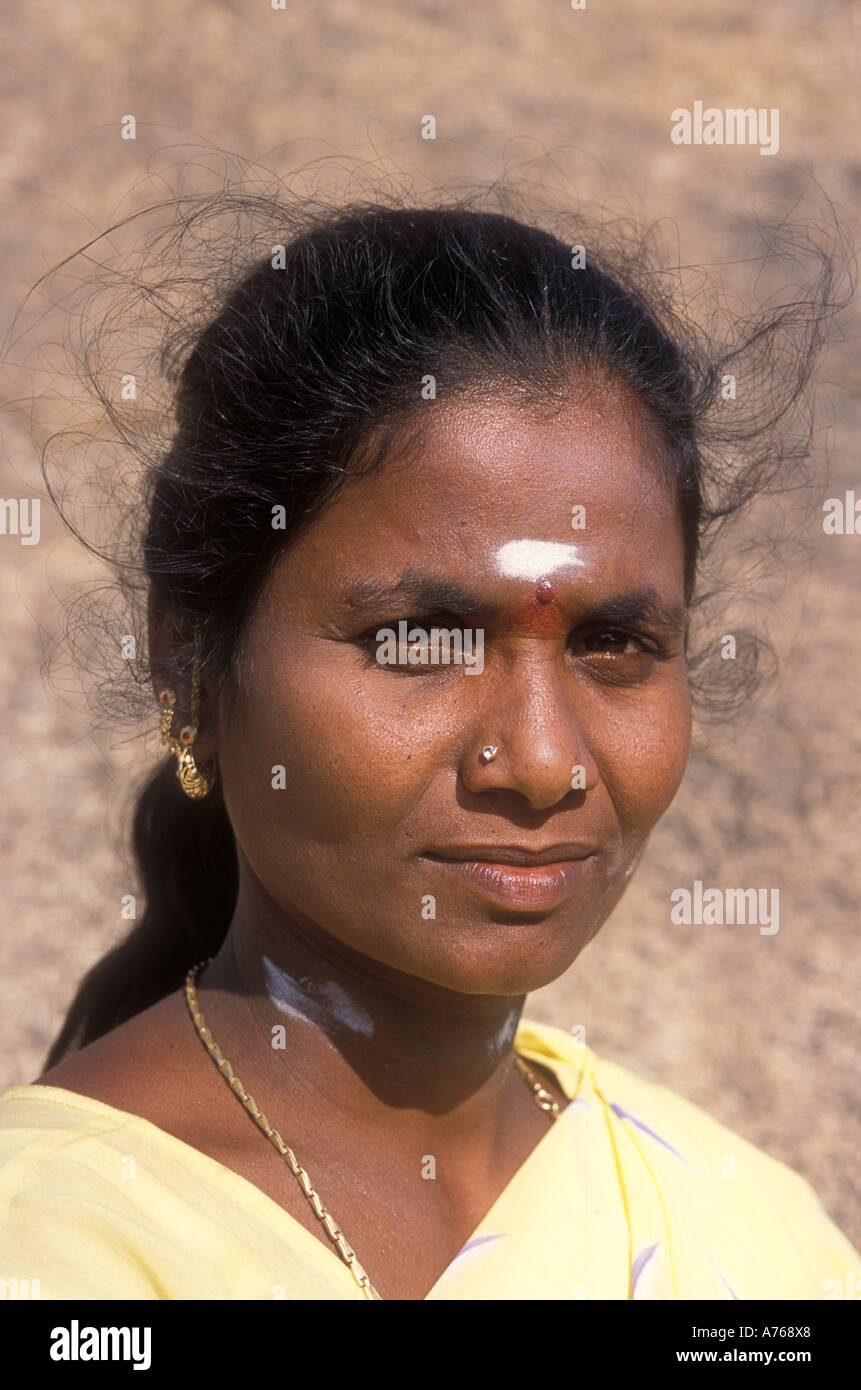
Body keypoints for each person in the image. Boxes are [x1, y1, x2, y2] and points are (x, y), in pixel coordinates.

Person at [0, 200, 856, 1301]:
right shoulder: (61, 1249)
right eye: (419, 641)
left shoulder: (755, 1236)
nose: (545, 762)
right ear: (193, 664)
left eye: (615, 643)